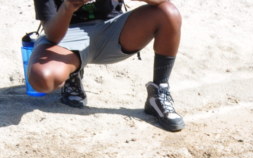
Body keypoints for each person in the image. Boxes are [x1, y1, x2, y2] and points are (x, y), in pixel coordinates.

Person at [28, 0, 186, 132]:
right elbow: (53, 35)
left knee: (168, 13)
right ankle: (72, 73)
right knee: (42, 79)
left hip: (113, 28)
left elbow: (160, 2)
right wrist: (68, 6)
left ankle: (158, 93)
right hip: (67, 35)